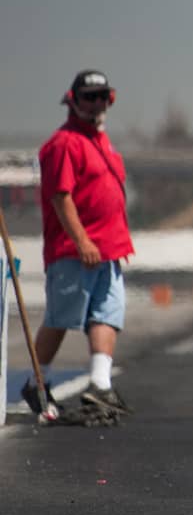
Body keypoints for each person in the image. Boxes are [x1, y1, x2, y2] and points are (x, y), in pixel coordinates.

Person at [21, 69, 135, 421]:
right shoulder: (64, 144)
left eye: (102, 96)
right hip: (75, 250)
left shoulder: (101, 142)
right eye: (89, 96)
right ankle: (37, 383)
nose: (97, 102)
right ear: (74, 101)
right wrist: (82, 240)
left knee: (107, 314)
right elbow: (60, 196)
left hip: (110, 249)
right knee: (61, 317)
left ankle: (100, 386)